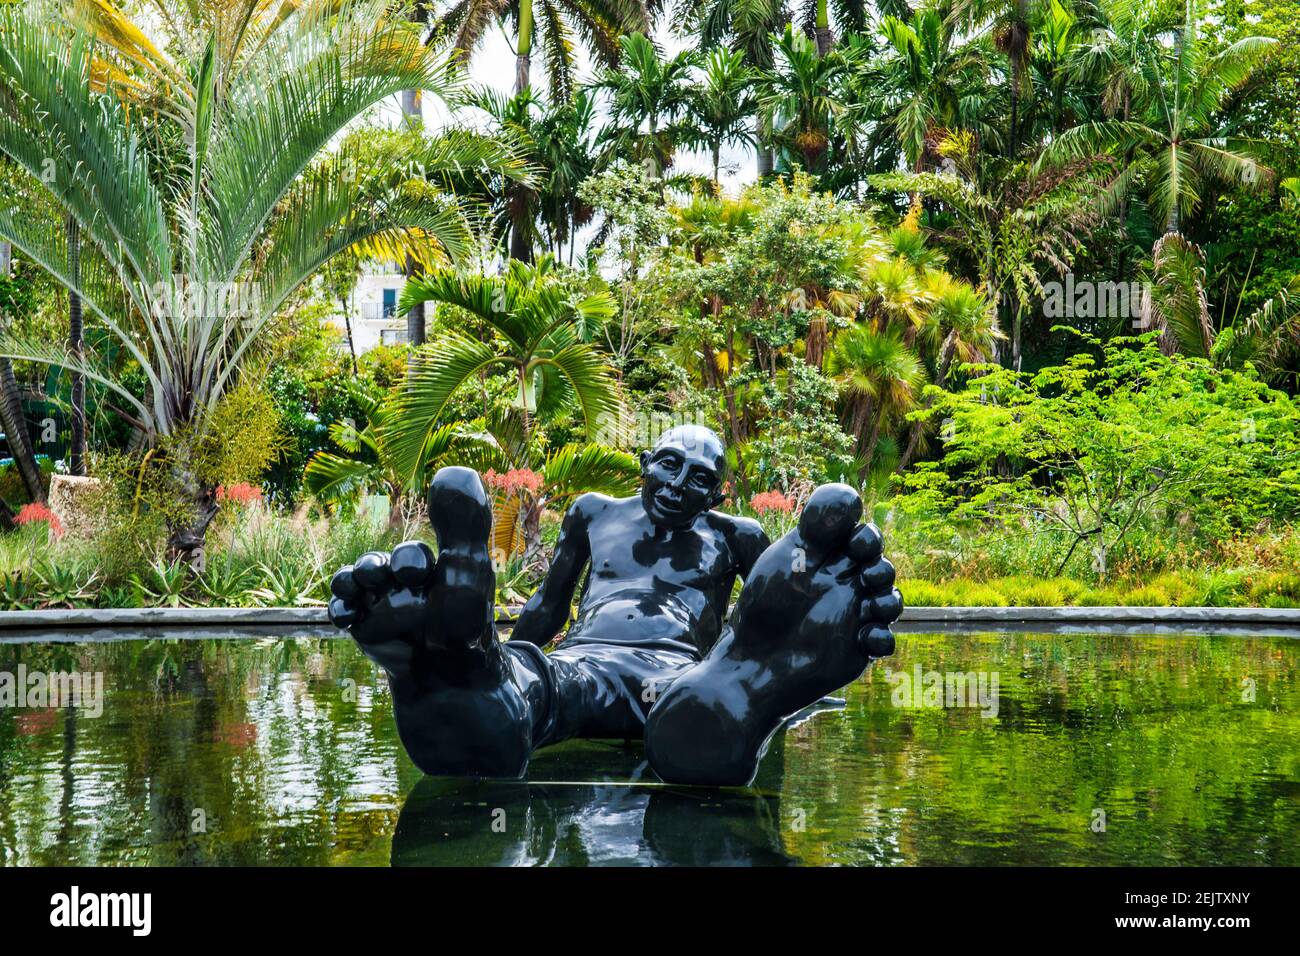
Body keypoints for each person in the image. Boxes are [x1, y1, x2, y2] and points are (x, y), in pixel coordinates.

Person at [328, 425, 901, 786]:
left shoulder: (736, 535)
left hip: (679, 674)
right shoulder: (594, 512)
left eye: (700, 479)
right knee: (534, 682)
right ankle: (468, 683)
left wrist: (779, 643)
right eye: (670, 465)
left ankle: (745, 683)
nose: (679, 485)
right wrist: (497, 654)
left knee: (710, 683)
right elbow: (551, 608)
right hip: (585, 663)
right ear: (646, 461)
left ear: (718, 496)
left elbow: (770, 611)